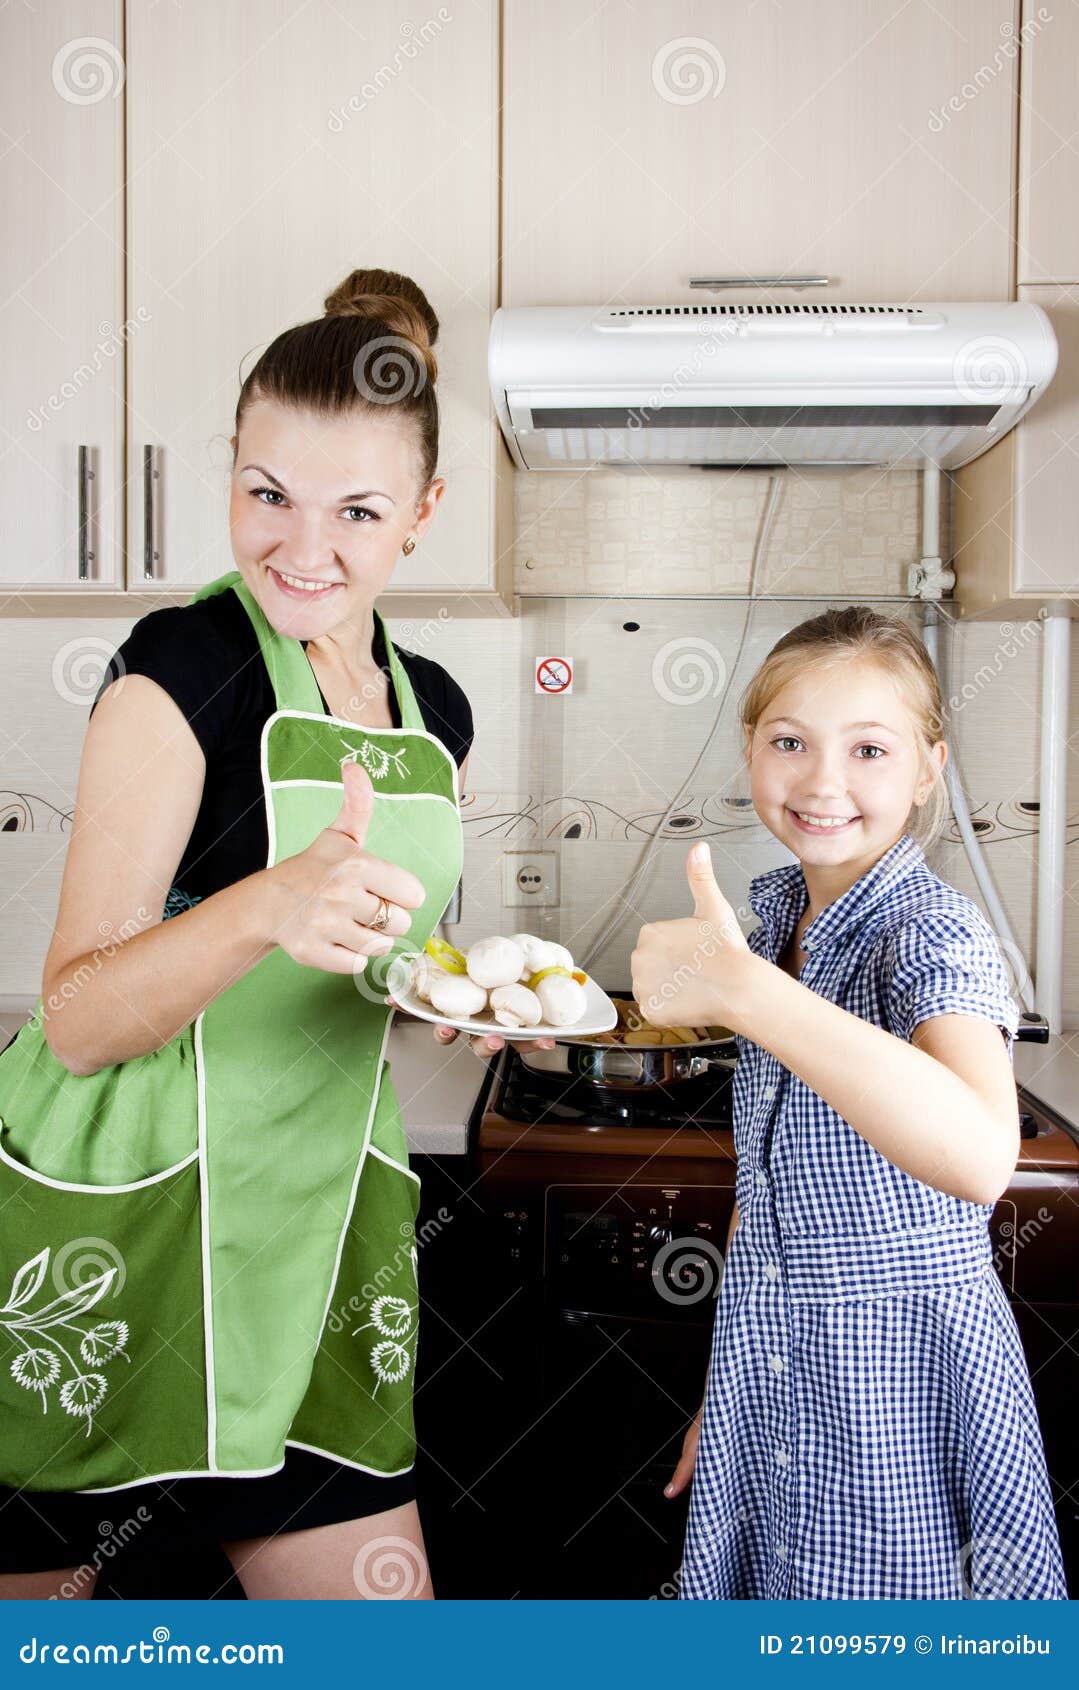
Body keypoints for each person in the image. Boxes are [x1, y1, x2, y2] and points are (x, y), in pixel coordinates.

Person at [0, 267, 552, 1601]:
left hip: (313, 1231)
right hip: (128, 1230)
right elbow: (73, 1019)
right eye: (268, 495)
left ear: (419, 516)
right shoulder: (176, 669)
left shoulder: (435, 714)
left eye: (356, 510)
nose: (302, 547)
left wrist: (441, 993)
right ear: (230, 477)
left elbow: (378, 951)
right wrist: (265, 901)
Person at [632, 606, 1066, 1600]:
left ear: (926, 769)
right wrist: (727, 1393)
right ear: (750, 750)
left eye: (868, 748)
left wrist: (745, 993)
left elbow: (976, 1153)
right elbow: (765, 1189)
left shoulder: (927, 934)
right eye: (789, 742)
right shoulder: (777, 919)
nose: (822, 780)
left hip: (897, 1394)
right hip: (771, 1357)